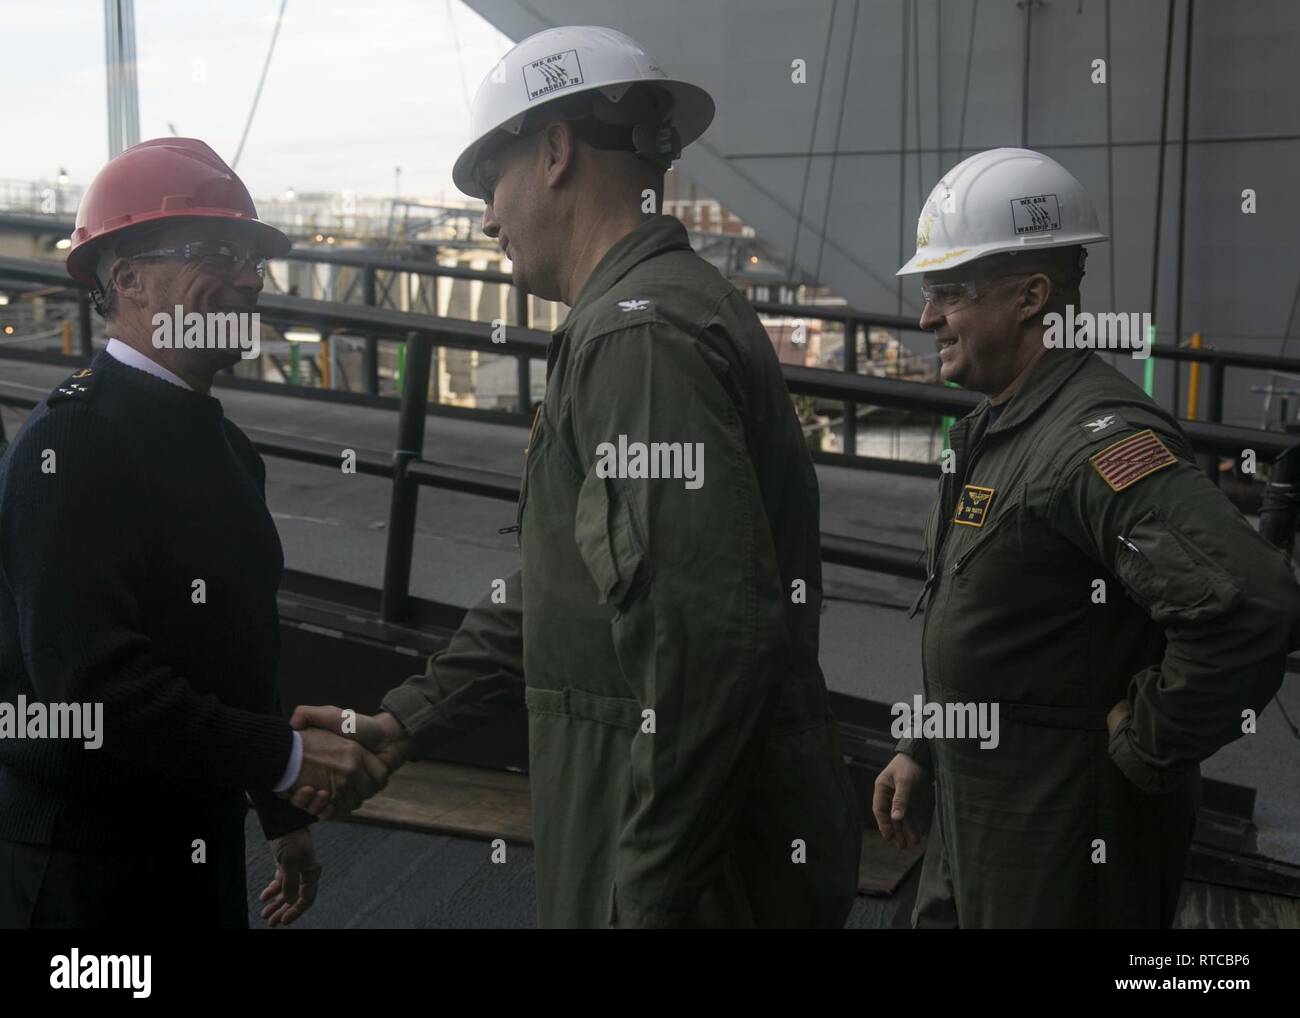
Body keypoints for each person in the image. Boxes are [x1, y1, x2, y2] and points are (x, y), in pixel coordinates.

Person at [292, 26, 862, 928]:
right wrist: (405, 720)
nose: (485, 218)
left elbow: (710, 648)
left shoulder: (638, 338)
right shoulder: (643, 318)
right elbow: (576, 581)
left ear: (554, 151)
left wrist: (648, 892)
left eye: (490, 182)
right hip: (665, 840)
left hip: (684, 868)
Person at [872, 147, 1300, 927]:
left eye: (948, 292)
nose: (927, 316)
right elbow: (998, 623)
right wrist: (925, 746)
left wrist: (1147, 740)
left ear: (1032, 297)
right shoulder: (996, 427)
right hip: (977, 816)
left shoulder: (1094, 444)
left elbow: (1252, 603)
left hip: (1058, 838)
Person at [0, 138, 386, 929]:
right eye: (218, 252)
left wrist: (281, 813)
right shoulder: (66, 447)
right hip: (82, 876)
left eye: (253, 258)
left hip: (191, 851)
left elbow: (233, 652)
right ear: (129, 280)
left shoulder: (226, 447)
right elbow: (91, 688)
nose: (250, 278)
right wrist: (282, 759)